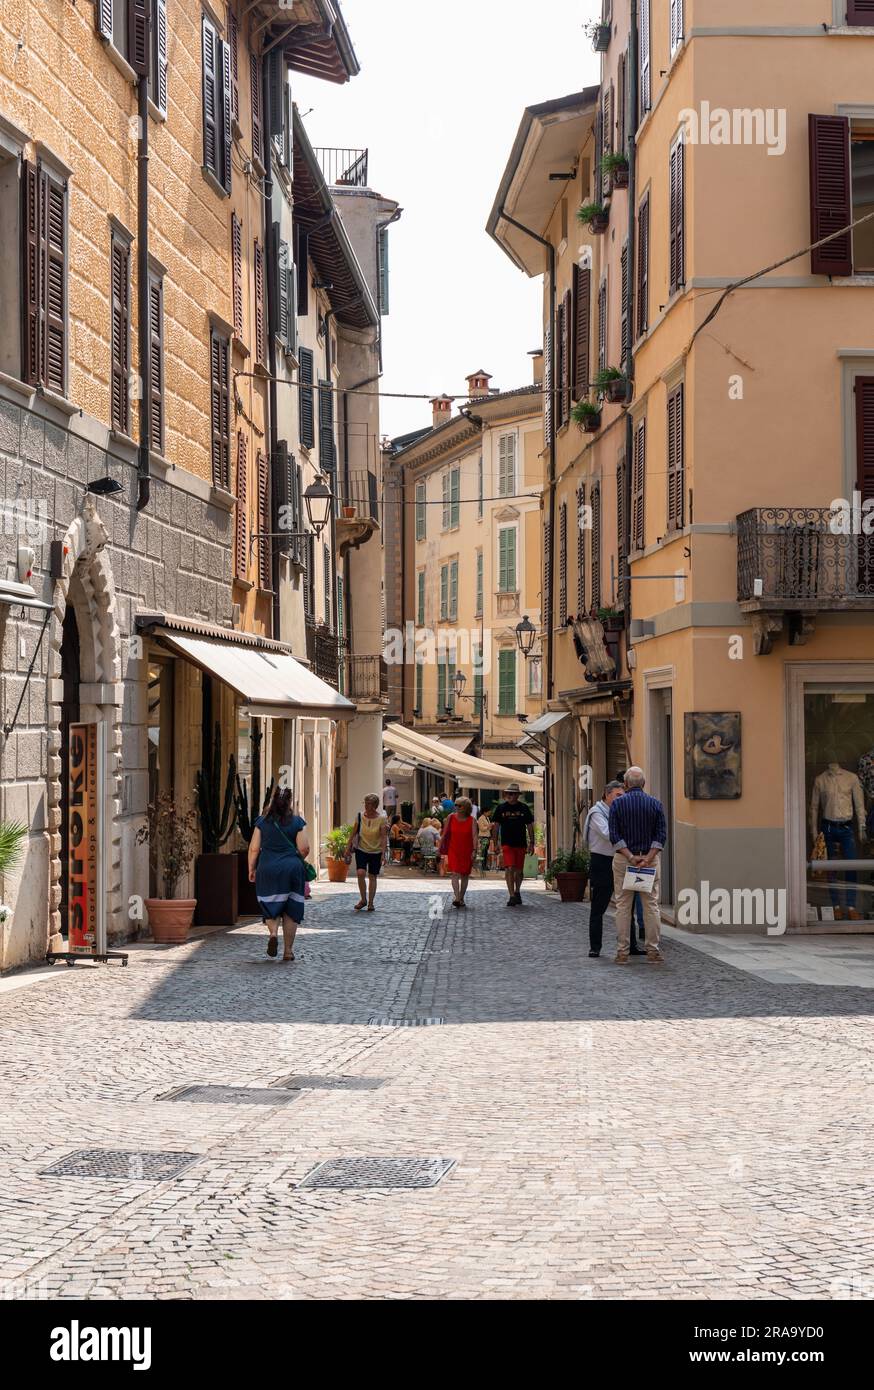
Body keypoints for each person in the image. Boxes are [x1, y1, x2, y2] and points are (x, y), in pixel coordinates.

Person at [608, 766, 667, 964]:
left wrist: (631, 857)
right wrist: (648, 857)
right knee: (651, 905)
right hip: (649, 862)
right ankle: (653, 950)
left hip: (625, 861)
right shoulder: (655, 804)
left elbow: (614, 835)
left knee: (623, 906)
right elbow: (661, 835)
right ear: (643, 784)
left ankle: (622, 952)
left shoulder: (617, 804)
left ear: (625, 784)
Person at [248, 786, 310, 962]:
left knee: (270, 904)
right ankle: (288, 951)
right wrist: (295, 859)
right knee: (291, 909)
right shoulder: (297, 822)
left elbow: (254, 848)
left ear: (272, 800)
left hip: (267, 868)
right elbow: (304, 848)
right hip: (291, 869)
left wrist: (251, 869)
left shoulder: (261, 822)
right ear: (289, 802)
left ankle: (273, 933)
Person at [583, 781, 625, 958]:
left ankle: (630, 945)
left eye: (622, 796)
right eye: (617, 796)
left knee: (626, 904)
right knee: (599, 907)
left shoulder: (618, 812)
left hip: (620, 859)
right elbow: (608, 835)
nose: (620, 799)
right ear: (607, 795)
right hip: (602, 862)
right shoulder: (597, 813)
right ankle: (595, 946)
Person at [490, 782, 535, 906]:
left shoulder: (524, 808)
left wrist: (532, 842)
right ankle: (511, 895)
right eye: (508, 793)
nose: (510, 795)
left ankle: (517, 891)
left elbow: (530, 825)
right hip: (507, 843)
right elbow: (496, 826)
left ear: (517, 795)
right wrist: (495, 843)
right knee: (509, 868)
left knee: (519, 871)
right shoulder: (501, 808)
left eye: (513, 794)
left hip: (521, 843)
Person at [347, 794, 389, 912]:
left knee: (372, 876)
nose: (366, 806)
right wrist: (348, 847)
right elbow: (353, 832)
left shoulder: (381, 819)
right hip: (361, 849)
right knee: (360, 873)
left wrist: (383, 853)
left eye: (369, 804)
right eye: (365, 803)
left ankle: (370, 903)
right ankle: (363, 899)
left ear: (375, 806)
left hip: (376, 851)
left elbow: (383, 837)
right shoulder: (360, 816)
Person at [439, 796, 479, 907]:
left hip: (467, 850)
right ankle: (457, 897)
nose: (456, 807)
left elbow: (475, 836)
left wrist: (475, 850)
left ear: (466, 807)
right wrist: (440, 848)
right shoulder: (450, 817)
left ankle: (461, 897)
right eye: (455, 805)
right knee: (455, 873)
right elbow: (445, 833)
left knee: (465, 875)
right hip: (454, 849)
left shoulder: (472, 820)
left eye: (459, 805)